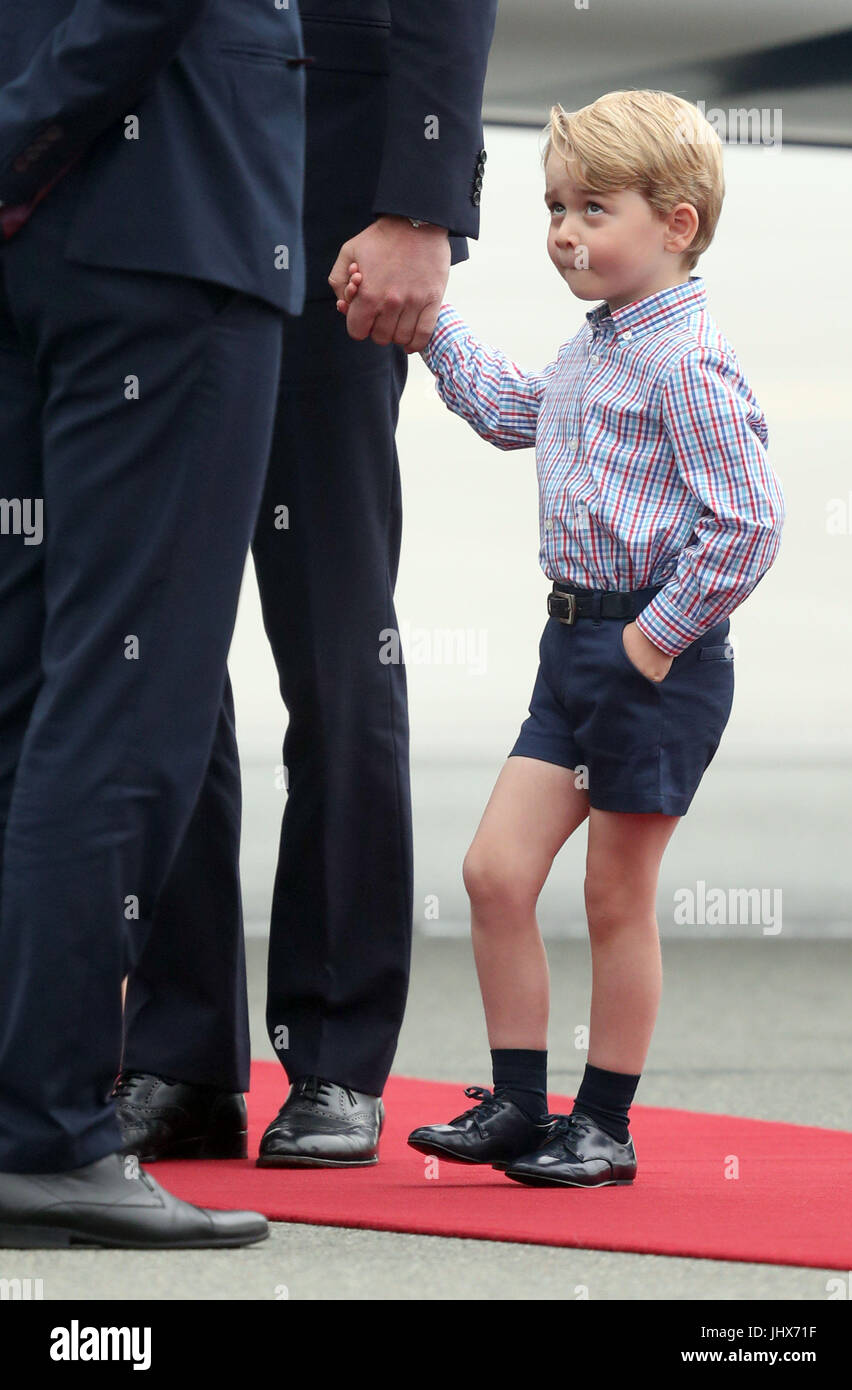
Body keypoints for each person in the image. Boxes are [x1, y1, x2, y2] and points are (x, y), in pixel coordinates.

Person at [342, 88, 785, 1187]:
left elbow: (748, 523)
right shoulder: (593, 350)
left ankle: (603, 1125)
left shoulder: (686, 361)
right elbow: (508, 412)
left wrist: (651, 642)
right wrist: (434, 325)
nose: (563, 232)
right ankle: (517, 1101)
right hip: (570, 654)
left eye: (593, 207)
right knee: (495, 871)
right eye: (553, 207)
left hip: (651, 660)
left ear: (674, 223)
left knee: (611, 895)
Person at [112, 0, 499, 1169]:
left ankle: (334, 1059)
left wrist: (420, 204)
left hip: (332, 208)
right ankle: (180, 1056)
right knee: (160, 654)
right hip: (161, 208)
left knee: (334, 647)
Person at [0, 0, 306, 1246]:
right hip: (160, 226)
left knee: (29, 689)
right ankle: (43, 1133)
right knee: (127, 695)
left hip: (45, 249)